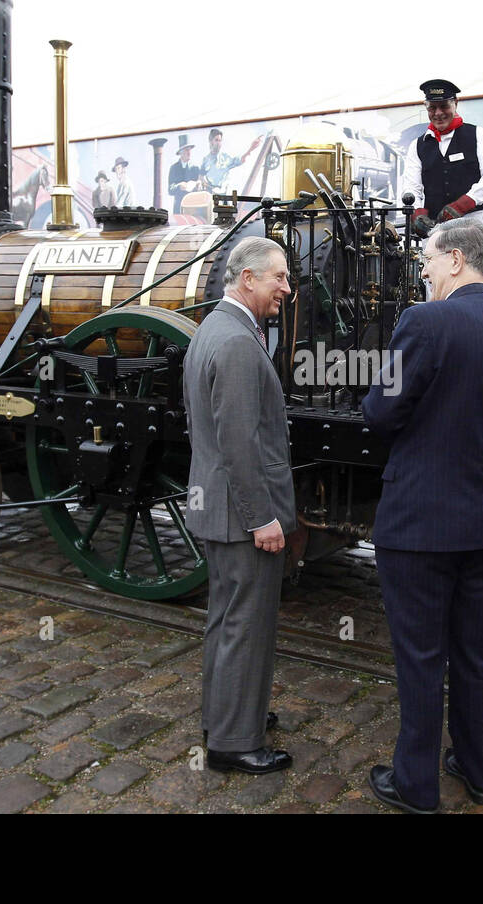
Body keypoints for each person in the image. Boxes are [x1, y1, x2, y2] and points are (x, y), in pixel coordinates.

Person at [363, 220, 483, 813]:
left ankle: (414, 786)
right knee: (478, 650)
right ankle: (479, 768)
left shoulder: (425, 321)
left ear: (458, 260)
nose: (426, 273)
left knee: (419, 659)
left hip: (419, 521)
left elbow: (381, 413)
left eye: (429, 263)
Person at [182, 236, 296, 775]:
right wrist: (264, 518)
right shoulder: (235, 343)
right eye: (279, 277)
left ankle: (226, 714)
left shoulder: (215, 329)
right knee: (246, 623)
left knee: (227, 619)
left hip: (221, 509)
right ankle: (234, 742)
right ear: (247, 278)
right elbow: (239, 443)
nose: (286, 288)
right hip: (240, 515)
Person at [398, 79, 483, 236]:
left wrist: (463, 204)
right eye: (432, 108)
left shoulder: (477, 135)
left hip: (477, 226)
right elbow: (412, 187)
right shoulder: (418, 145)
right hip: (437, 232)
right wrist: (417, 213)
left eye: (444, 106)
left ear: (455, 104)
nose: (438, 113)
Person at [199, 128, 260, 192]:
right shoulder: (205, 159)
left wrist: (251, 149)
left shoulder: (226, 158)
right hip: (209, 194)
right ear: (211, 141)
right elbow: (200, 176)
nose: (218, 143)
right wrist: (205, 185)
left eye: (220, 140)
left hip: (222, 194)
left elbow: (240, 160)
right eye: (216, 140)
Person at [167, 134, 201, 214]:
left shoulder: (195, 168)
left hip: (193, 208)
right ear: (180, 152)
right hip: (178, 209)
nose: (189, 152)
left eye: (190, 150)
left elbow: (199, 190)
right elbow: (170, 190)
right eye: (186, 150)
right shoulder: (174, 168)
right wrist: (179, 186)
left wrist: (198, 185)